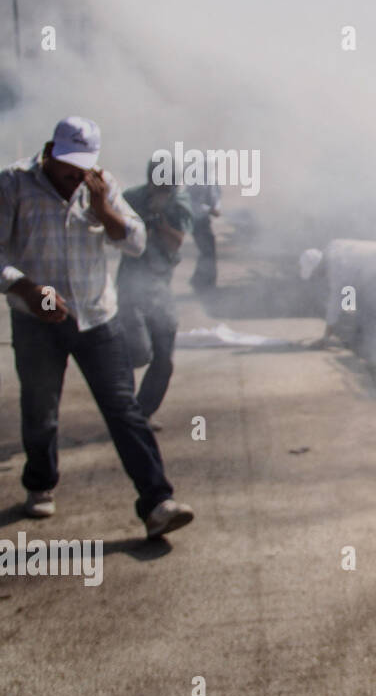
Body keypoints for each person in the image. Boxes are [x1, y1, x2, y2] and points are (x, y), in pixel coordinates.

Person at [0, 117, 194, 539]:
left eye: (83, 166)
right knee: (41, 410)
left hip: (95, 316)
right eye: (68, 165)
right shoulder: (13, 184)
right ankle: (40, 483)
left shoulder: (100, 185)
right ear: (49, 152)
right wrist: (28, 289)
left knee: (124, 410)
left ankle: (157, 501)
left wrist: (104, 209)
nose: (75, 175)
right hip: (36, 320)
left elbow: (136, 241)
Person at [118, 153, 193, 426]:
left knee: (164, 358)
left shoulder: (178, 202)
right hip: (129, 284)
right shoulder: (130, 198)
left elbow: (176, 243)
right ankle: (123, 409)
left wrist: (159, 218)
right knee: (135, 352)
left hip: (160, 285)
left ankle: (141, 413)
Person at [299, 239, 376, 351]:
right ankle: (359, 340)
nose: (317, 276)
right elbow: (350, 284)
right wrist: (348, 308)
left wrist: (325, 338)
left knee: (369, 307)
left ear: (318, 266)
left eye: (315, 273)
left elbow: (335, 303)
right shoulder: (331, 248)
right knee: (355, 305)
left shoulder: (335, 267)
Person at [187, 173, 221, 290]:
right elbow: (192, 202)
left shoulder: (208, 179)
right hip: (198, 220)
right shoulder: (197, 182)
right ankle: (203, 281)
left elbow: (214, 196)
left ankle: (201, 279)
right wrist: (210, 209)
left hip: (202, 220)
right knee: (207, 249)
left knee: (208, 249)